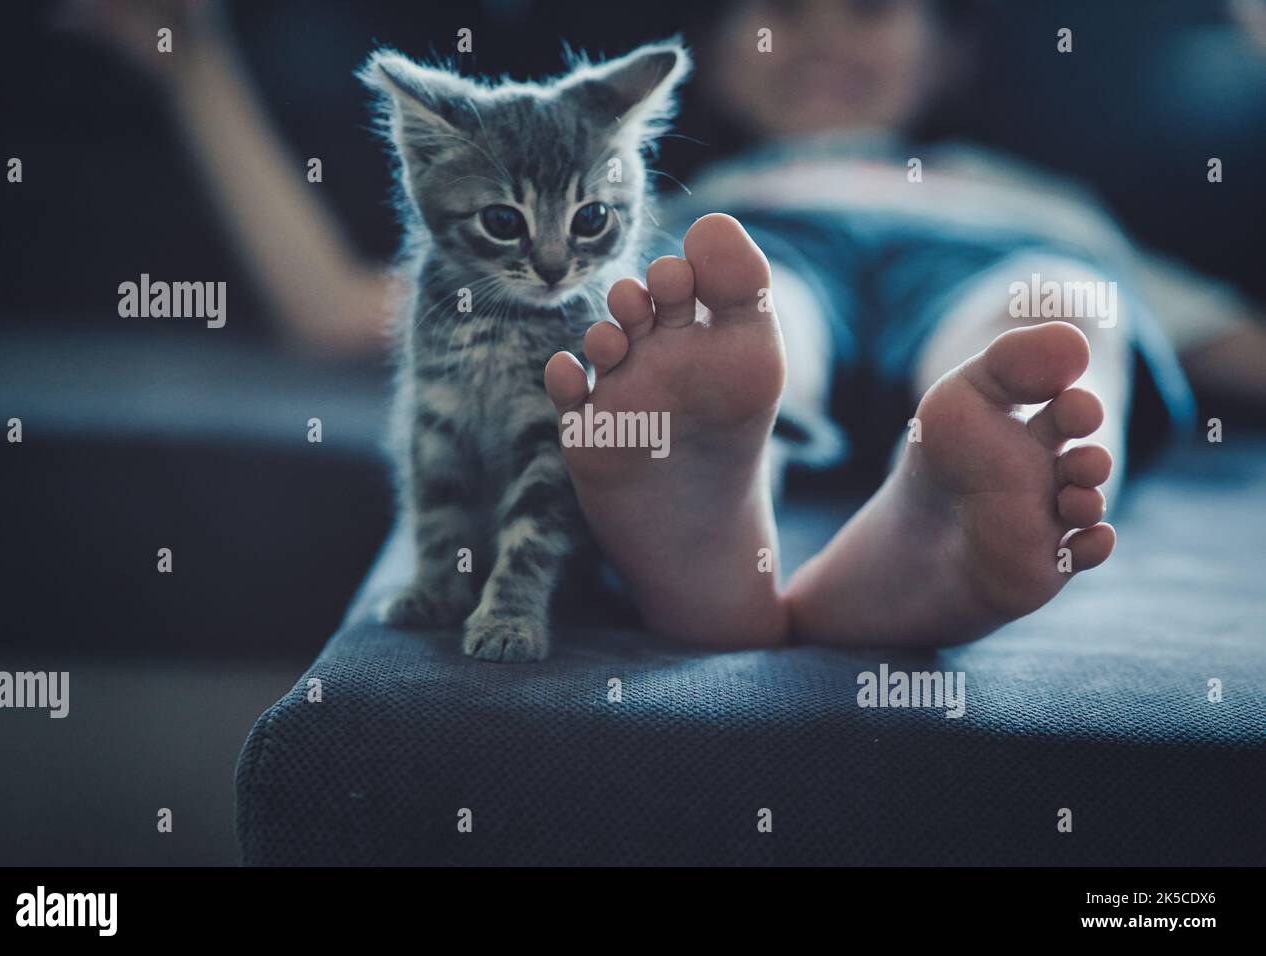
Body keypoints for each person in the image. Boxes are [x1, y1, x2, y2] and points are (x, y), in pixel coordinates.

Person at [67, 0, 1266, 647]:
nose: (822, 37)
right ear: (710, 60)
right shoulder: (633, 213)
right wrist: (193, 62)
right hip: (757, 255)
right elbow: (342, 309)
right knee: (732, 315)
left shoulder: (1035, 192)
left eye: (864, 9)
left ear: (946, 48)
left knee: (1046, 321)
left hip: (999, 254)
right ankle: (707, 508)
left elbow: (1240, 351)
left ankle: (946, 502)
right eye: (779, 13)